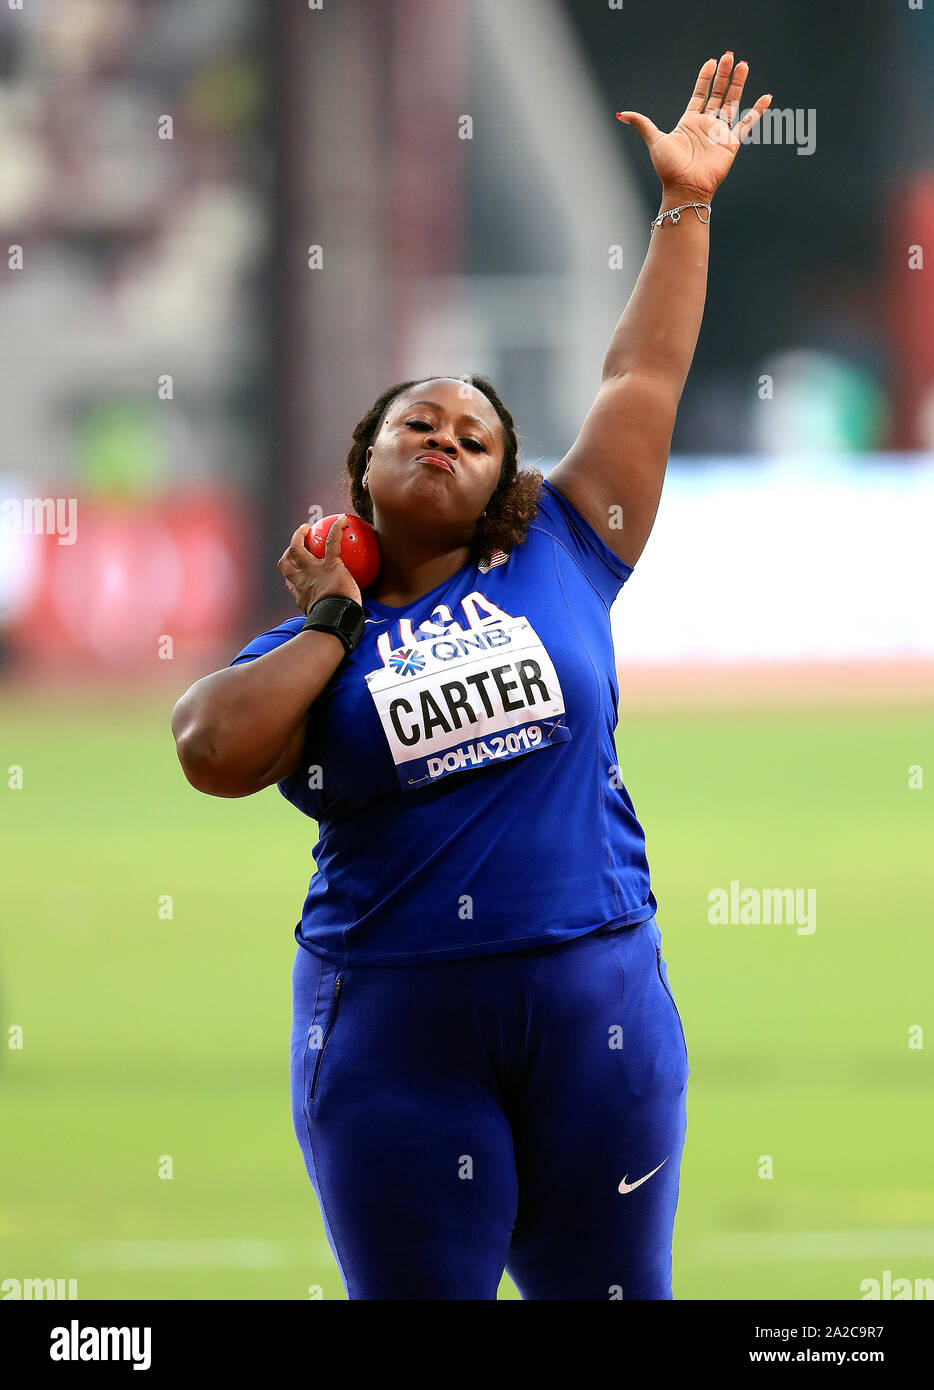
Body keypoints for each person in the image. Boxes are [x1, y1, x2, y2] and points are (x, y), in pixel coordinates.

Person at [172, 53, 770, 1300]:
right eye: (416, 424)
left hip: (592, 1005)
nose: (444, 434)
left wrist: (686, 203)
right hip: (397, 1025)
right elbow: (209, 752)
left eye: (475, 433)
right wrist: (333, 624)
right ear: (362, 469)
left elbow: (639, 380)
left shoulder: (564, 547)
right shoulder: (308, 646)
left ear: (507, 479)